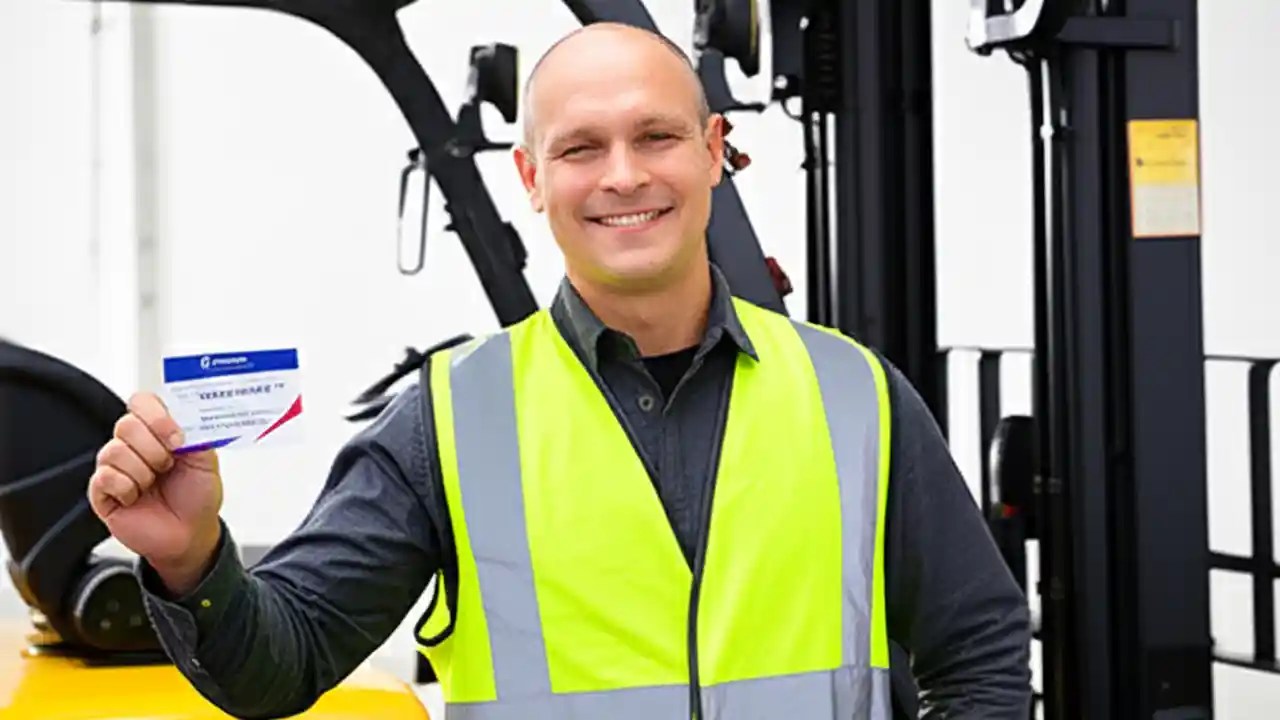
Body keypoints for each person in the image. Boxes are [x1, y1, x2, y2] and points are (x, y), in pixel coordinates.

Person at [88, 22, 1032, 720]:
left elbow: (981, 653)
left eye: (656, 136)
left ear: (713, 155)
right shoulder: (447, 423)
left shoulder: (855, 396)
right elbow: (281, 664)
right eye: (581, 148)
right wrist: (189, 561)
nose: (623, 175)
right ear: (532, 179)